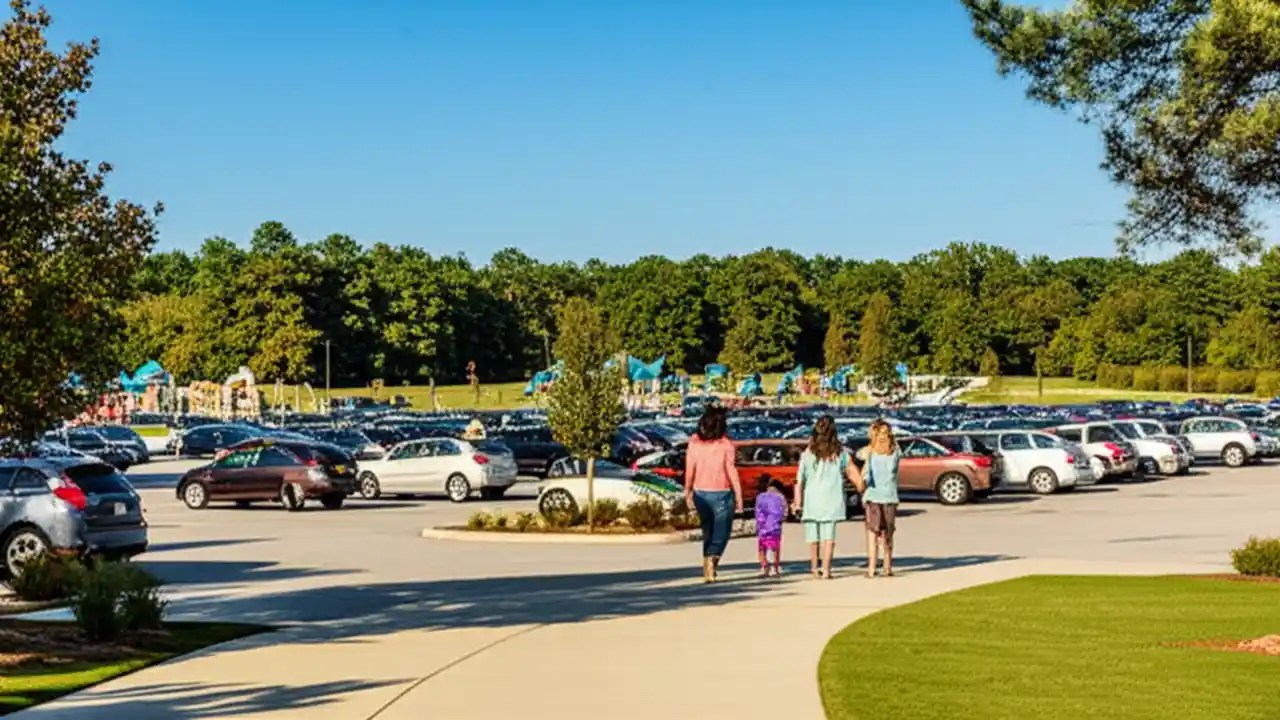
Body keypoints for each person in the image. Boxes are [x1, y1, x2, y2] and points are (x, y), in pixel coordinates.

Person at [794, 415, 862, 579]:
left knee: (813, 538)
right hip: (832, 499)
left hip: (812, 500)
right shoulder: (840, 453)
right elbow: (853, 472)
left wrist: (798, 503)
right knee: (828, 537)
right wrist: (861, 486)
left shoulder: (808, 454)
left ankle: (814, 567)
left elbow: (799, 480)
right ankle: (826, 569)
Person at [684, 406, 743, 583]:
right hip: (721, 493)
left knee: (708, 531)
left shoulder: (694, 442)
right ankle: (711, 560)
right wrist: (739, 496)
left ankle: (708, 564)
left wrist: (687, 490)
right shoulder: (726, 445)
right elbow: (731, 471)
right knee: (722, 533)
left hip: (700, 492)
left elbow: (690, 468)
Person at [861, 419, 901, 578]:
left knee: (879, 533)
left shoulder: (879, 452)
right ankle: (882, 566)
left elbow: (867, 472)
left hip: (882, 496)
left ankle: (879, 567)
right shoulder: (890, 452)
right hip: (881, 497)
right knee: (882, 533)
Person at [754, 479, 787, 578]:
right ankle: (774, 567)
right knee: (774, 547)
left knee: (762, 548)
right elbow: (785, 513)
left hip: (762, 528)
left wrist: (758, 524)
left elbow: (757, 512)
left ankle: (764, 566)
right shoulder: (781, 497)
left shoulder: (760, 497)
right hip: (775, 528)